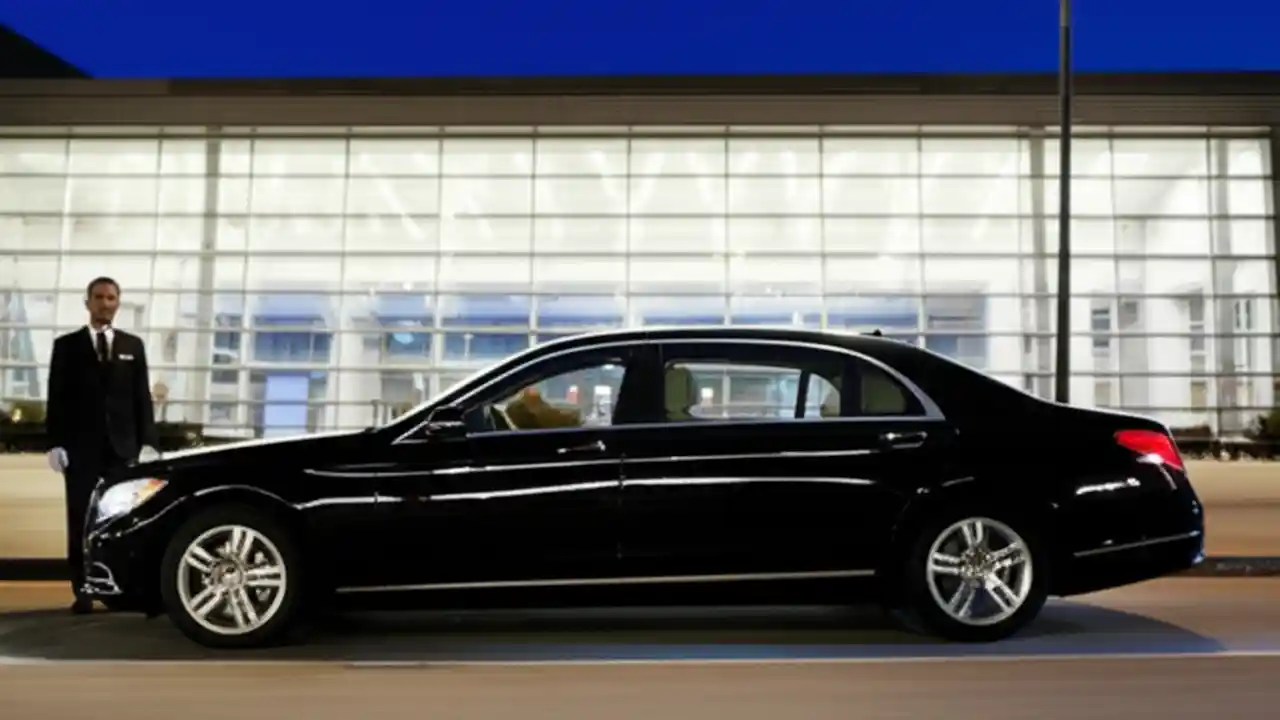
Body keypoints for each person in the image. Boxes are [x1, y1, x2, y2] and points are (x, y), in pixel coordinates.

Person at [45, 277, 159, 614]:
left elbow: (142, 398)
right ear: (88, 302)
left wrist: (149, 443)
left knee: (124, 520)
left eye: (111, 298)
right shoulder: (66, 346)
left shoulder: (132, 346)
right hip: (81, 451)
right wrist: (55, 443)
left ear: (118, 303)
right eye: (98, 297)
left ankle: (124, 589)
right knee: (81, 520)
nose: (105, 303)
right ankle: (82, 589)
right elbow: (57, 398)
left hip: (123, 451)